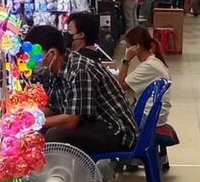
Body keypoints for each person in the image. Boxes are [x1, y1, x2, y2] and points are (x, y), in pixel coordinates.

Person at [27, 24, 138, 153]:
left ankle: (66, 172)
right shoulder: (55, 70)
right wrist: (27, 115)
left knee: (54, 135)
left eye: (34, 57)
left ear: (52, 54)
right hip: (93, 123)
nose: (31, 63)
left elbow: (70, 121)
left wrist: (34, 121)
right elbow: (54, 108)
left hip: (115, 130)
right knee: (40, 129)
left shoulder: (79, 70)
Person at [118, 26, 172, 125]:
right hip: (153, 114)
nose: (126, 50)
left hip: (147, 116)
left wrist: (126, 60)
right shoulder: (153, 62)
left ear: (136, 47)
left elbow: (121, 85)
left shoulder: (149, 66)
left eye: (128, 46)